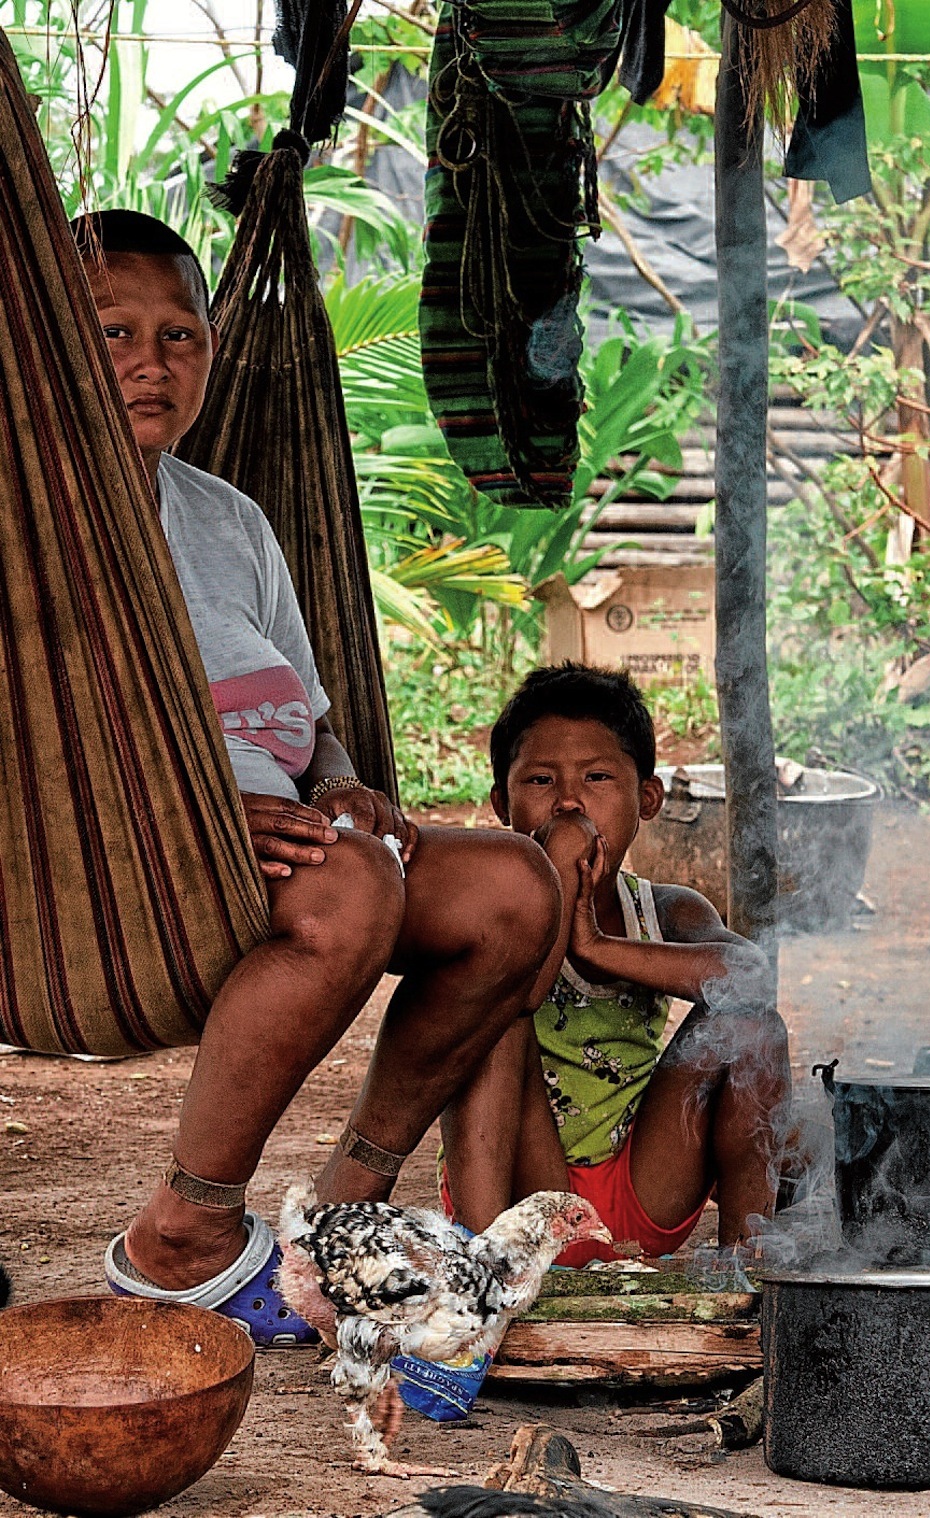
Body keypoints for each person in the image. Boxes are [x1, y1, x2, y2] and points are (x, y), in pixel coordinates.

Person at [75, 210, 562, 1343]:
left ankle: (347, 1203)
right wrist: (188, 818)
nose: (154, 362)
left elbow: (311, 716)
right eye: (113, 333)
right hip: (112, 867)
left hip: (284, 840)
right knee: (350, 886)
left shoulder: (227, 518)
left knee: (512, 893)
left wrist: (342, 783)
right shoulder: (23, 520)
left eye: (181, 335)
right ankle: (183, 1229)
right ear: (54, 342)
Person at [439, 664, 790, 1266]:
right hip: (520, 1192)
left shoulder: (666, 909)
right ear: (501, 803)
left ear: (646, 799)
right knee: (487, 1017)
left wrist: (596, 945)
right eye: (541, 780)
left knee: (754, 1027)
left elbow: (752, 978)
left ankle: (747, 1269)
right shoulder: (485, 915)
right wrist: (553, 915)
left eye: (598, 777)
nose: (570, 800)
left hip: (644, 1185)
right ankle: (480, 1276)